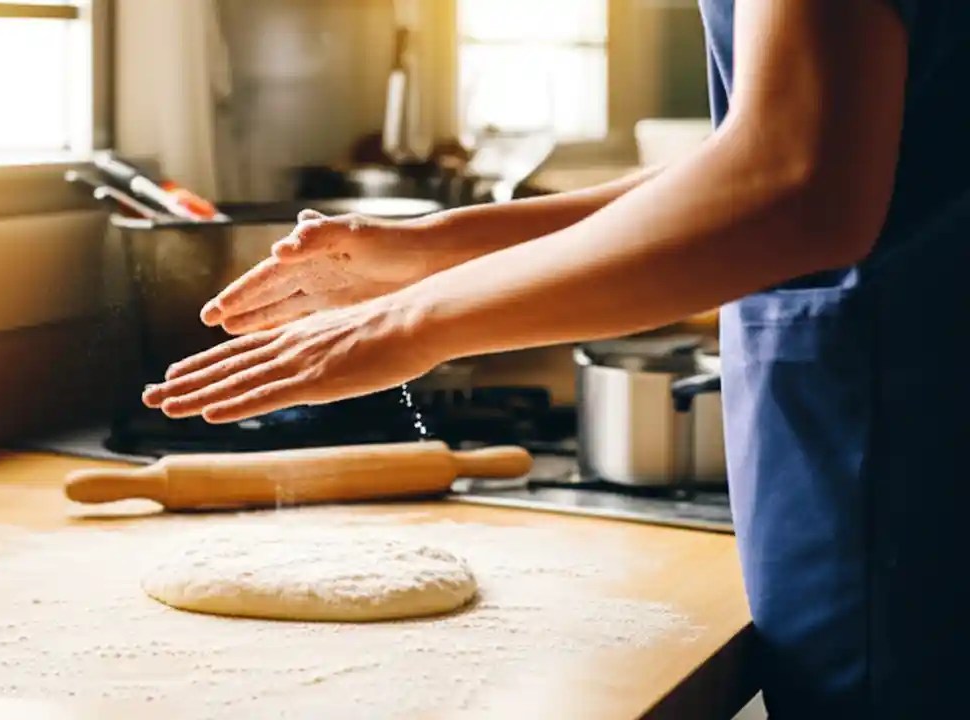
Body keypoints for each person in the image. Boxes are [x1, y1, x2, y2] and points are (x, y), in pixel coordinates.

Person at [143, 1, 970, 716]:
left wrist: (410, 324)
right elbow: (781, 148)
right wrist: (439, 251)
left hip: (913, 482)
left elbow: (794, 185)